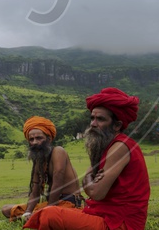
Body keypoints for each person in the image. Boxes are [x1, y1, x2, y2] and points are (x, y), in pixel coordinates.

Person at [23, 88, 150, 230]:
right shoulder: (105, 147)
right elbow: (90, 181)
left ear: (117, 125)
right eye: (92, 118)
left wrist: (88, 179)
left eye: (100, 119)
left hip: (117, 223)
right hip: (99, 214)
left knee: (49, 214)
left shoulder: (120, 147)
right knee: (47, 213)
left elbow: (97, 193)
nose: (93, 124)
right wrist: (90, 179)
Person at [1, 116, 82, 223]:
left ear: (48, 139)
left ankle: (43, 216)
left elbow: (58, 183)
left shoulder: (58, 151)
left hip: (68, 203)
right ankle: (36, 217)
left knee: (46, 215)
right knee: (6, 209)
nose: (35, 142)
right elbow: (35, 191)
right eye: (31, 139)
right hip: (51, 204)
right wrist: (28, 212)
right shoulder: (39, 161)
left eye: (39, 138)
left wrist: (48, 210)